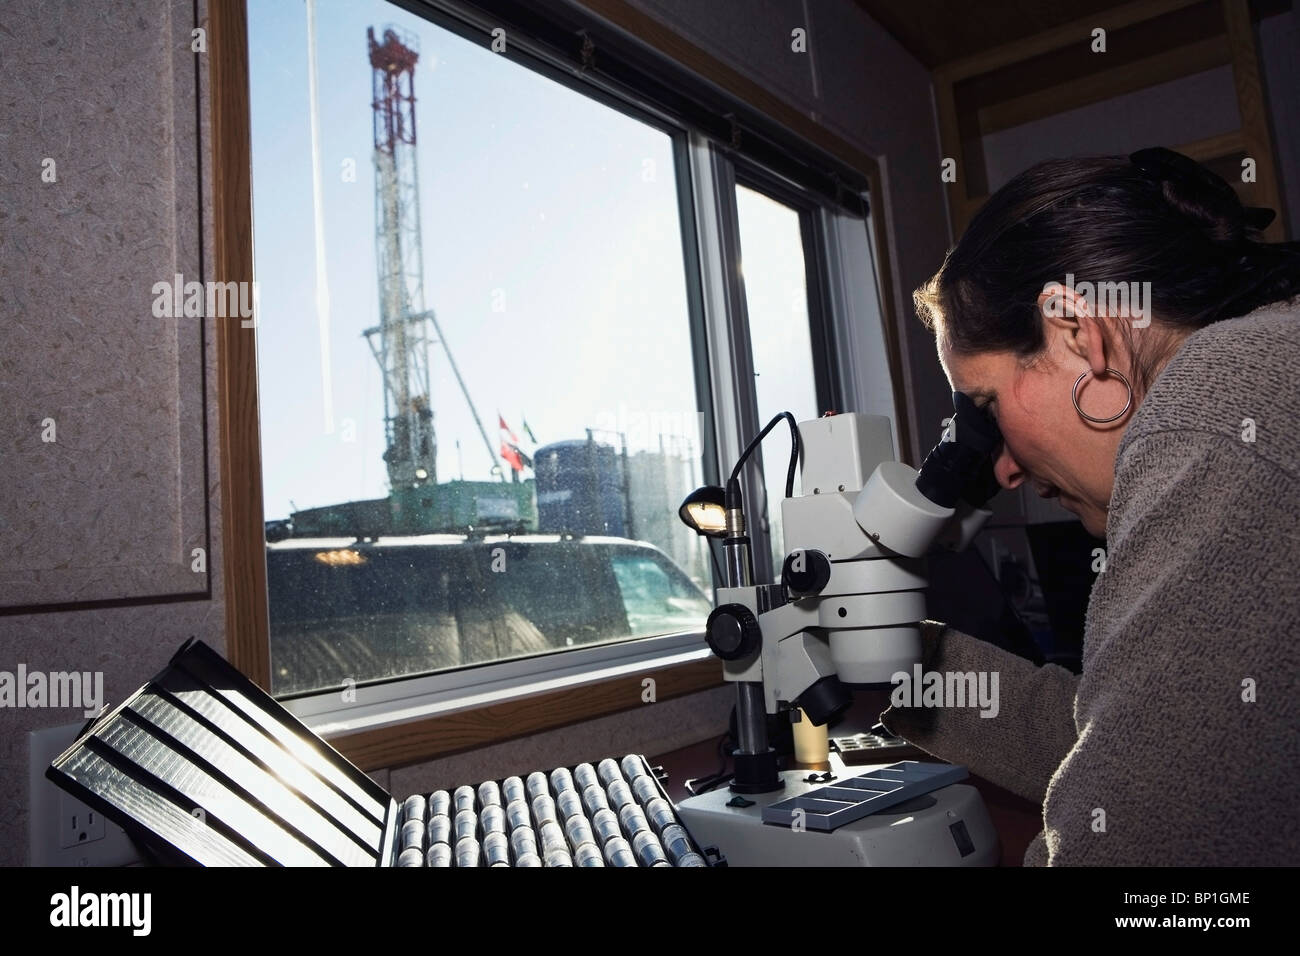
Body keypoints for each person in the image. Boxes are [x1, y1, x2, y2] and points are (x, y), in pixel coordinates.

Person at [879, 147, 1300, 865]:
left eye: (985, 408)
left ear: (1080, 333)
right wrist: (901, 661)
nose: (1004, 469)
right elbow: (1151, 750)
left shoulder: (1215, 405)